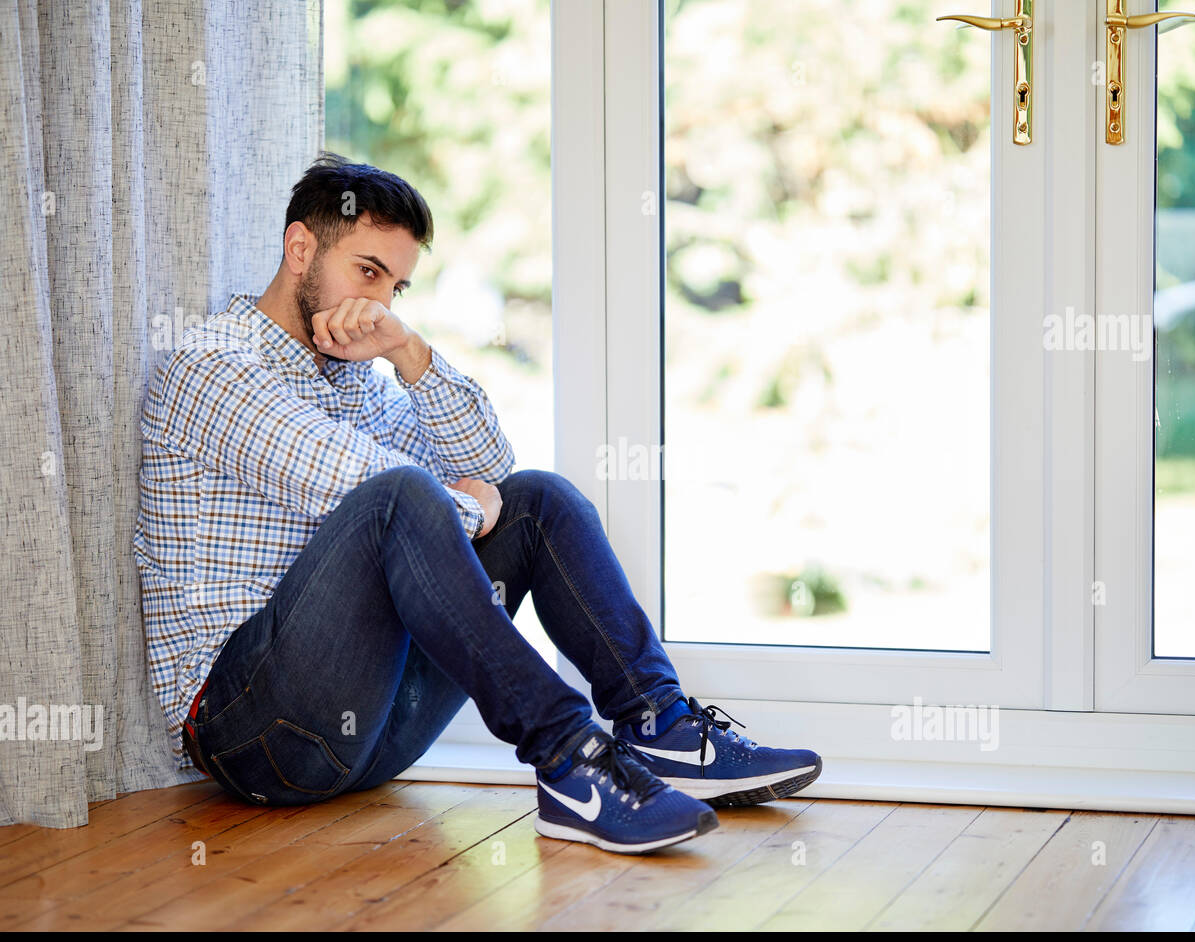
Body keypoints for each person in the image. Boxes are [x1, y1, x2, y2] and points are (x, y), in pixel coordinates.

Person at [132, 152, 821, 855]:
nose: (380, 302)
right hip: (257, 737)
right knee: (399, 495)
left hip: (371, 735)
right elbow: (357, 486)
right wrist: (468, 508)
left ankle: (661, 727)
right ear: (300, 247)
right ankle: (570, 760)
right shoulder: (211, 366)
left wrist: (410, 355)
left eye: (397, 287)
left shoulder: (357, 377)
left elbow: (492, 467)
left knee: (538, 500)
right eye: (368, 272)